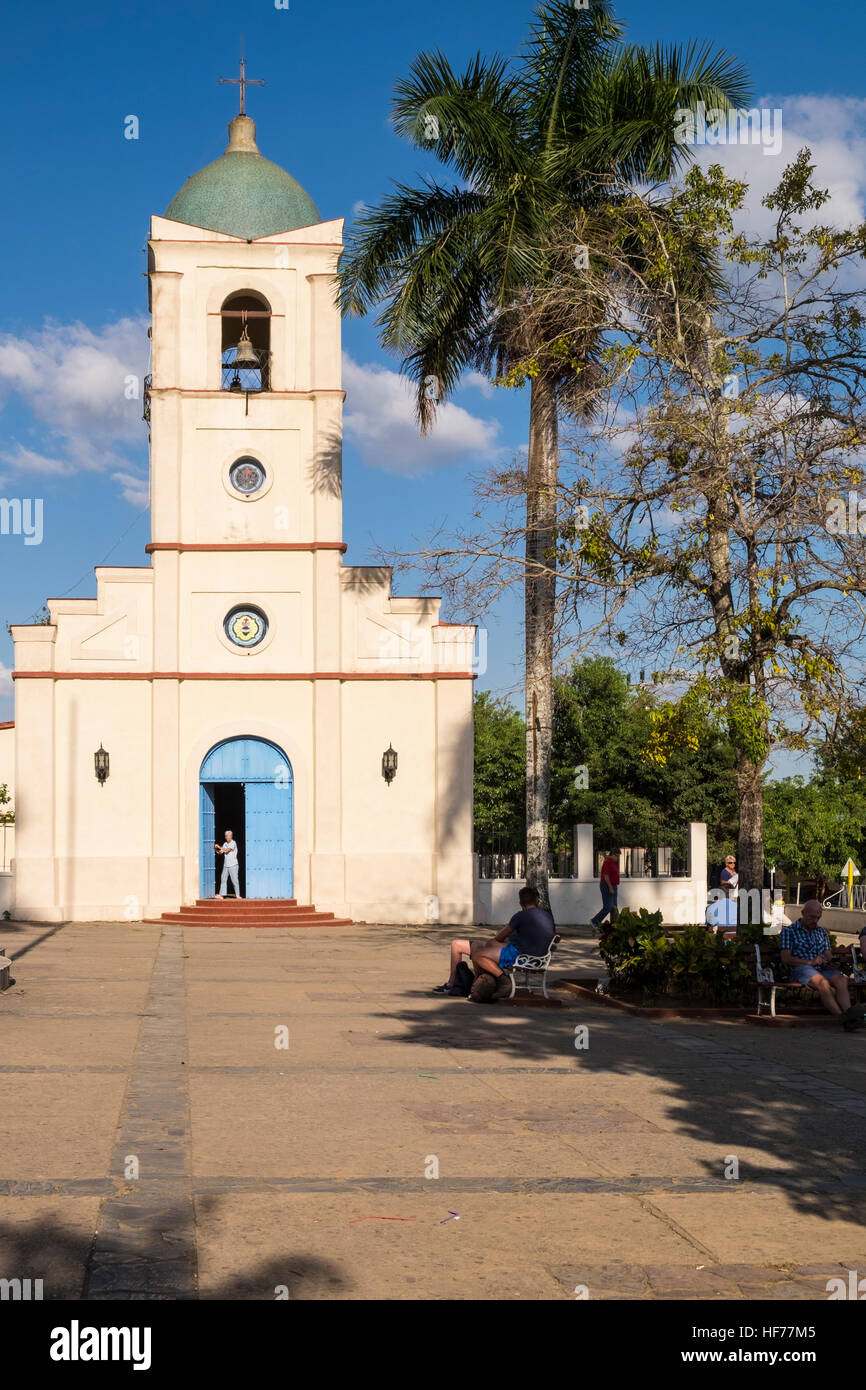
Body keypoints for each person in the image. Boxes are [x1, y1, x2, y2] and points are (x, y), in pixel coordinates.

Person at [433, 886, 555, 1001]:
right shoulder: (547, 916)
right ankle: (478, 983)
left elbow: (500, 936)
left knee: (477, 955)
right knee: (488, 946)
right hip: (538, 956)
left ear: (521, 903)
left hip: (523, 957)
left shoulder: (521, 916)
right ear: (537, 901)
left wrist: (497, 942)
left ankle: (503, 980)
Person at [779, 900, 850, 1019]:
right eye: (812, 917)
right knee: (822, 983)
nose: (815, 921)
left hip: (821, 969)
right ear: (803, 913)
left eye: (818, 918)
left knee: (841, 980)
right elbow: (786, 959)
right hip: (801, 968)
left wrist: (832, 962)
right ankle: (841, 1018)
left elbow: (828, 954)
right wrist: (810, 962)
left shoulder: (821, 932)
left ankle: (850, 1014)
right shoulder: (789, 931)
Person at [590, 849, 620, 928]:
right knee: (608, 907)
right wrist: (610, 887)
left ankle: (614, 926)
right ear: (612, 854)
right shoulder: (608, 862)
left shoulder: (612, 863)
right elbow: (606, 876)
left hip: (613, 885)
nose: (618, 858)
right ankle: (595, 921)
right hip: (607, 885)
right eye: (617, 856)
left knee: (614, 908)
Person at [215, 829, 242, 900]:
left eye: (229, 836)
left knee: (234, 880)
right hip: (226, 865)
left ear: (231, 837)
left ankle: (238, 895)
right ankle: (222, 895)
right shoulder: (225, 844)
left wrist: (219, 846)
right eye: (226, 836)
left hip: (233, 865)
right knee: (223, 879)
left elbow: (227, 850)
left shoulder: (233, 843)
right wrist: (217, 851)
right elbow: (222, 852)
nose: (227, 838)